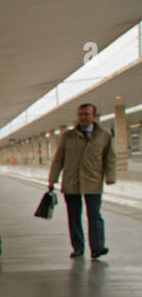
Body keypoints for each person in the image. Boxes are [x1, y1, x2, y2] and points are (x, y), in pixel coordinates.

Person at [48, 103, 116, 259]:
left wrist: (110, 177)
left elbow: (110, 158)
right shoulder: (68, 136)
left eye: (86, 114)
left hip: (93, 181)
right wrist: (53, 179)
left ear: (94, 116)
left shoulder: (104, 136)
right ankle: (78, 247)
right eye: (80, 114)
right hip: (72, 181)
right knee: (74, 216)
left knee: (94, 215)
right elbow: (59, 159)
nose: (83, 117)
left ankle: (97, 247)